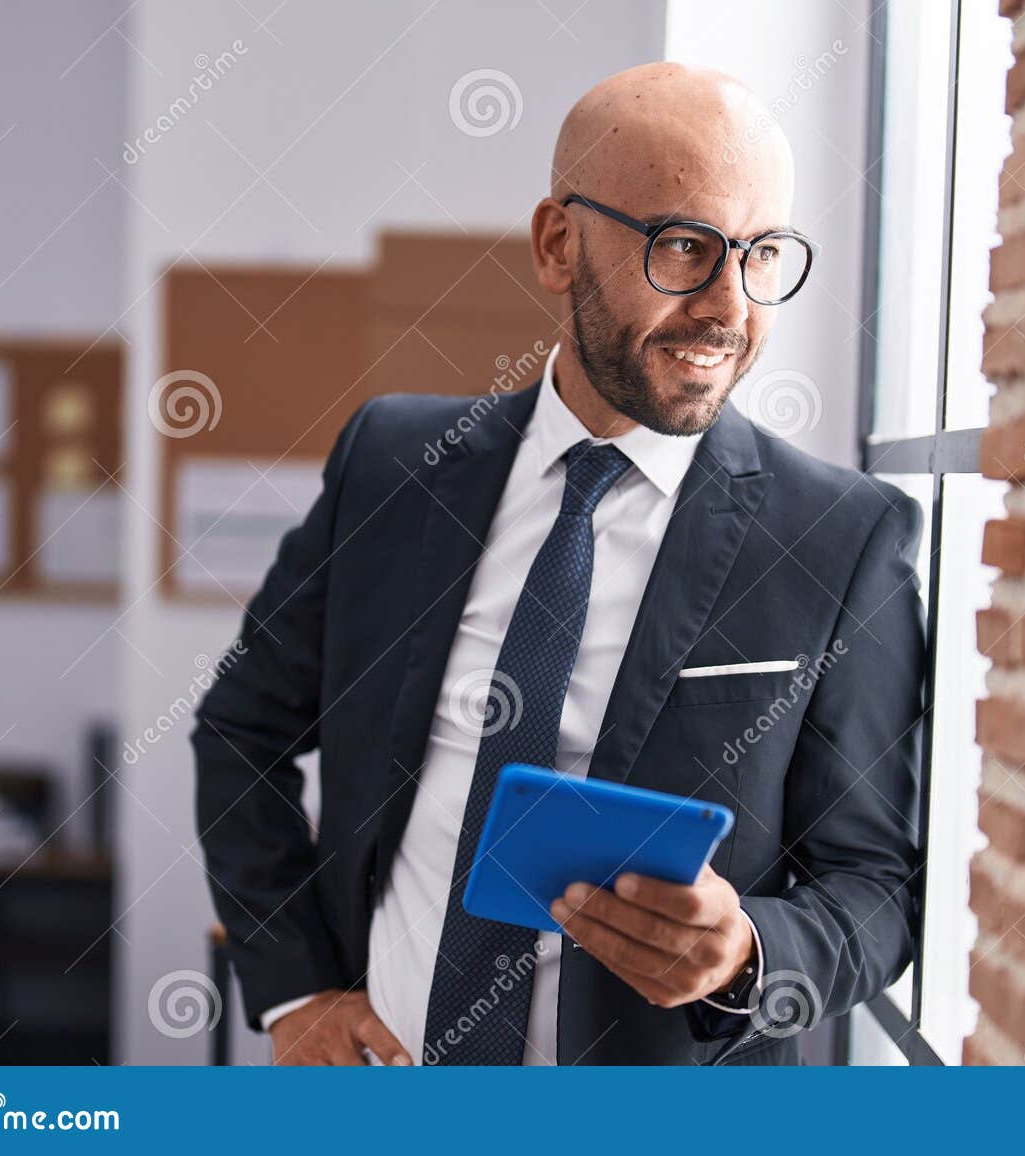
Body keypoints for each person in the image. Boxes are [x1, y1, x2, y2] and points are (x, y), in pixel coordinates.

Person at [193, 61, 926, 1066]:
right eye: (683, 247)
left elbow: (876, 884)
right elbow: (239, 728)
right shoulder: (393, 465)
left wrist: (750, 951)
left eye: (761, 254)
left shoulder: (841, 536)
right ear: (556, 243)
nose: (729, 304)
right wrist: (298, 991)